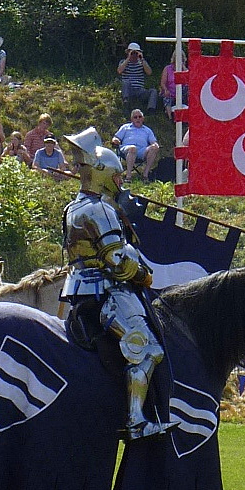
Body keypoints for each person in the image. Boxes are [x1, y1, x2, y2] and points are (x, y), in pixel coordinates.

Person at [59, 127, 171, 440]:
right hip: (108, 291)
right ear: (102, 174)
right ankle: (136, 420)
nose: (120, 181)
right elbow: (116, 260)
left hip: (80, 288)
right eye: (117, 176)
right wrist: (143, 275)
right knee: (149, 350)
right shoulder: (98, 208)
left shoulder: (74, 207)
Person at [112, 108, 160, 181]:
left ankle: (145, 175)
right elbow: (116, 137)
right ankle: (128, 177)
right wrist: (116, 140)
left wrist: (155, 145)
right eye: (135, 117)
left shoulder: (147, 130)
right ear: (132, 119)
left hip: (142, 151)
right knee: (133, 148)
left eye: (140, 117)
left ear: (143, 118)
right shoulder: (125, 127)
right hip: (127, 149)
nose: (138, 119)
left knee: (154, 148)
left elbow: (153, 142)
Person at [116, 42, 156, 112]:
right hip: (129, 89)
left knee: (153, 91)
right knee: (125, 82)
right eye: (132, 53)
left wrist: (142, 59)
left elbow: (149, 72)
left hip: (140, 90)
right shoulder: (123, 62)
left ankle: (151, 109)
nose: (134, 55)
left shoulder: (142, 63)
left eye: (136, 53)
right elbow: (119, 71)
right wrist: (128, 58)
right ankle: (126, 102)